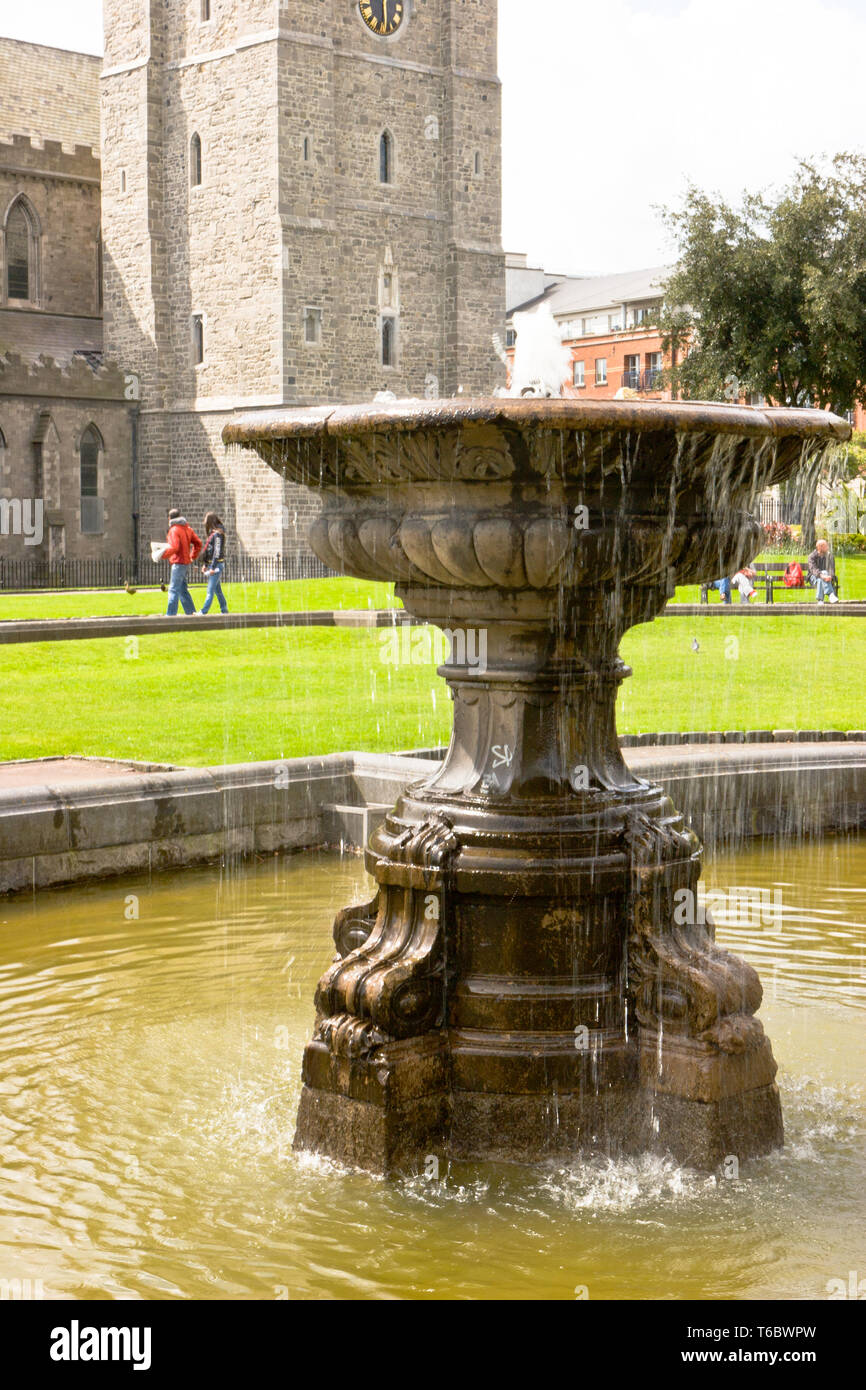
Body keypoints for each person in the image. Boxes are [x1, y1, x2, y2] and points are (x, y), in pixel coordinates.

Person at [163, 507, 202, 616]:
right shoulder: (187, 528)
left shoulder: (174, 530)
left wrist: (162, 555)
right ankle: (191, 613)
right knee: (182, 590)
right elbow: (198, 543)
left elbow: (174, 547)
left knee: (173, 590)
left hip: (178, 562)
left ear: (169, 518)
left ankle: (170, 615)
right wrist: (192, 556)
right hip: (185, 562)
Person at [198, 512, 229, 615]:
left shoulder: (218, 534)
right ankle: (224, 610)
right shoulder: (214, 534)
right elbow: (209, 551)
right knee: (217, 591)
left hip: (217, 565)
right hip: (213, 565)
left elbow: (216, 552)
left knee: (210, 590)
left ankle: (203, 611)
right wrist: (205, 564)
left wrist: (212, 567)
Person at [808, 539, 838, 604]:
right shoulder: (812, 556)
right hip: (813, 578)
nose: (828, 547)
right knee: (822, 575)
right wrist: (822, 576)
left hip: (827, 578)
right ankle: (830, 594)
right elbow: (813, 569)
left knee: (820, 579)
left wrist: (830, 576)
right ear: (820, 547)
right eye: (826, 546)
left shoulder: (830, 556)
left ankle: (820, 600)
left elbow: (832, 569)